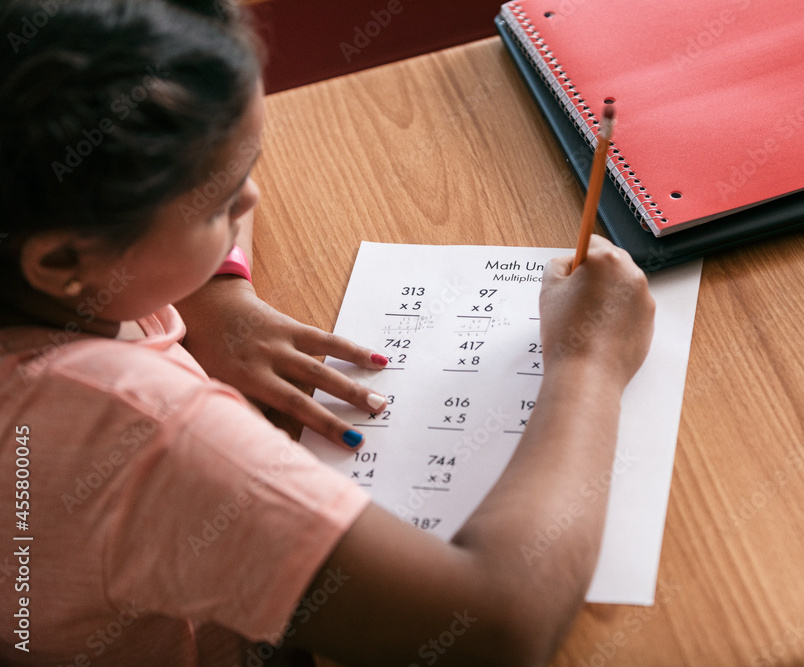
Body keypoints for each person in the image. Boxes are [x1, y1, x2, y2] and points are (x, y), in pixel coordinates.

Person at [0, 0, 655, 664]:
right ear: (60, 261)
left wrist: (218, 287)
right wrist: (587, 360)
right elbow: (497, 625)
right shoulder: (136, 430)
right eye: (222, 200)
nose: (252, 196)